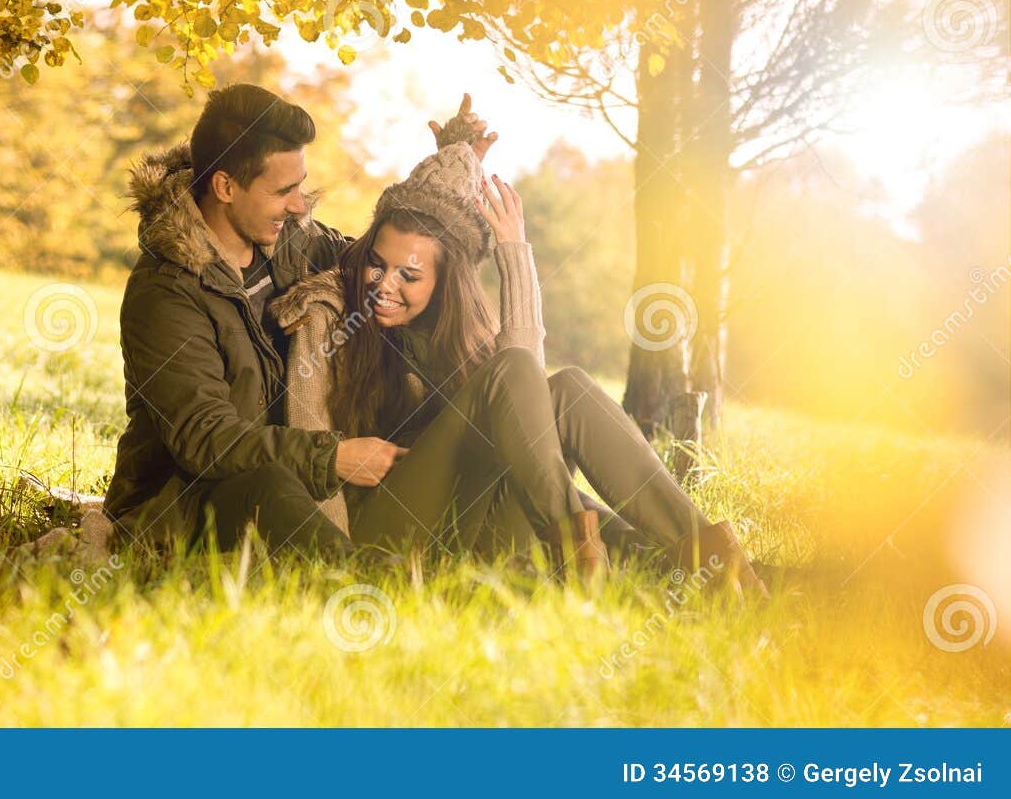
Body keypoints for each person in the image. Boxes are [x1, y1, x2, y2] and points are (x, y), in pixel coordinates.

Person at [269, 108, 769, 598]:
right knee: (520, 375)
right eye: (377, 264)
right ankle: (582, 558)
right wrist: (338, 571)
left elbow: (524, 393)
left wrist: (514, 254)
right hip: (378, 545)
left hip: (465, 535)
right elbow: (311, 450)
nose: (384, 285)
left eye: (411, 275)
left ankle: (714, 562)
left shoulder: (451, 329)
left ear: (447, 283)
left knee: (567, 390)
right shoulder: (327, 313)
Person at [101, 83, 445, 560]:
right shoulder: (166, 293)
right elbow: (207, 439)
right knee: (269, 484)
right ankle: (368, 578)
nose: (300, 204)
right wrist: (332, 457)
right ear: (224, 187)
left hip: (303, 480)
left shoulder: (295, 244)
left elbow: (386, 259)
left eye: (300, 185)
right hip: (186, 504)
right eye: (283, 190)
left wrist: (451, 170)